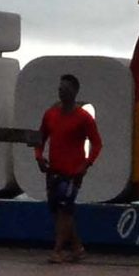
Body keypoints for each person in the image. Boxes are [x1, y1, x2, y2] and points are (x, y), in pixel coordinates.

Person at [33, 72, 101, 264]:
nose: (61, 92)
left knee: (65, 209)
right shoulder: (51, 114)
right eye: (60, 89)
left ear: (75, 92)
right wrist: (39, 157)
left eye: (65, 89)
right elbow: (41, 138)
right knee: (57, 210)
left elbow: (97, 144)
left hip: (73, 172)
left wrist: (87, 163)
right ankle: (77, 247)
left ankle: (58, 250)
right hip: (53, 170)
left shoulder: (84, 118)